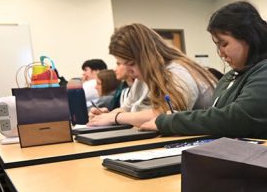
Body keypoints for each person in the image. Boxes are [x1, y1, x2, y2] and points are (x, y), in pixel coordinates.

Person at [138, 2, 267, 140]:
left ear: (249, 38)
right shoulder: (234, 75)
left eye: (224, 44)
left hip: (260, 167)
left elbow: (235, 120)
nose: (220, 53)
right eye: (217, 45)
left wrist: (170, 121)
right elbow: (217, 114)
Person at [88, 24, 216, 128]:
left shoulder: (178, 72)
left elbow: (166, 115)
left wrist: (115, 118)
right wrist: (105, 116)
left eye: (131, 64)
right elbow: (126, 109)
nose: (128, 71)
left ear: (148, 56)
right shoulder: (143, 76)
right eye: (122, 64)